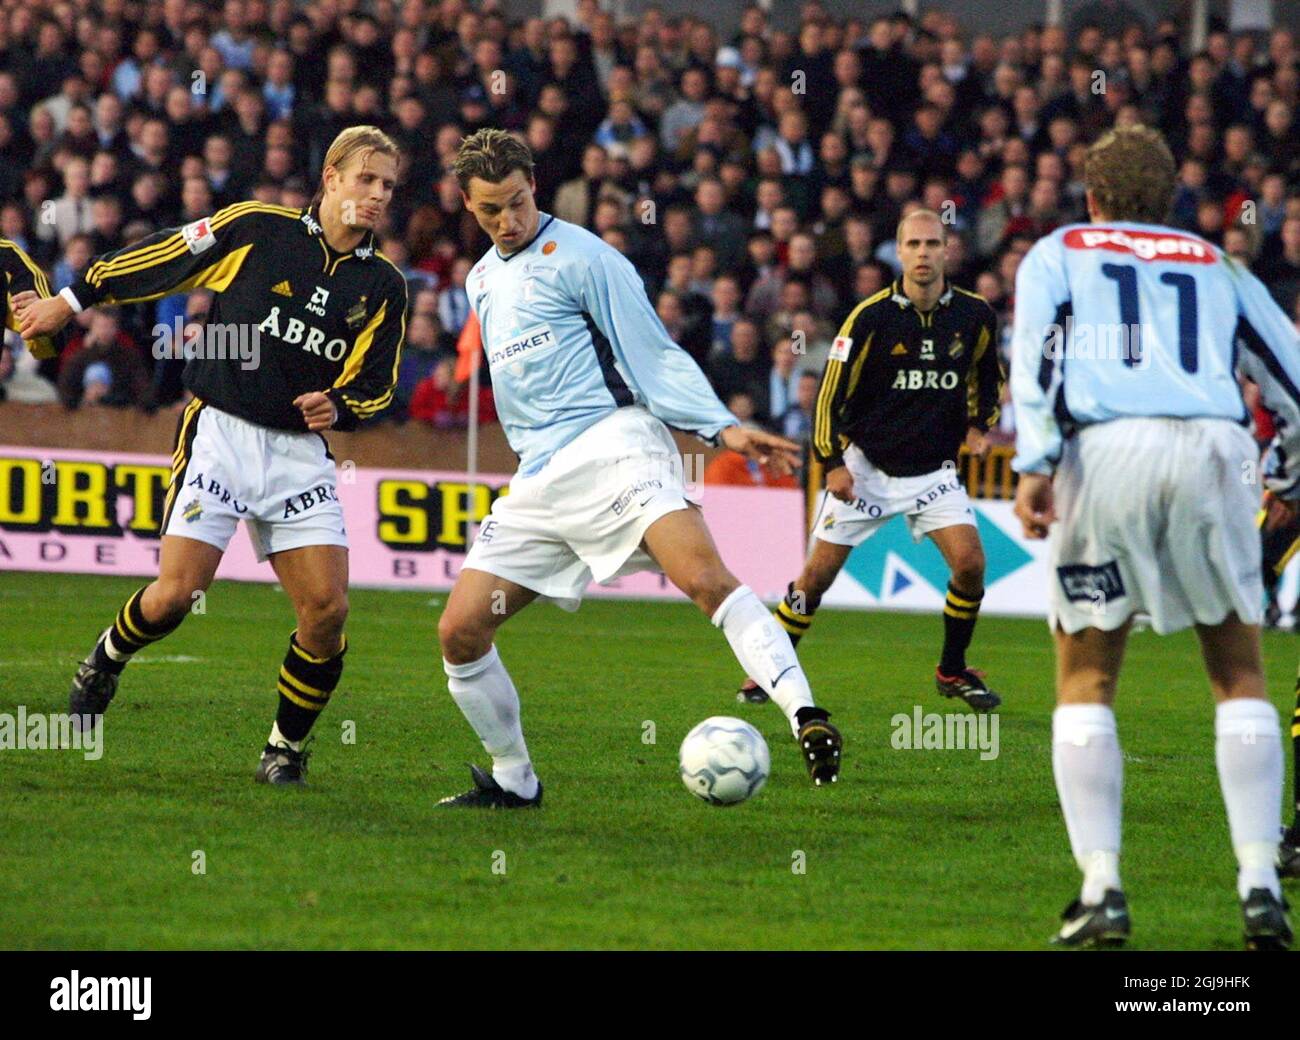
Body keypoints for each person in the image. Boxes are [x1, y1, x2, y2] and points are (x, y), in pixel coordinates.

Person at [435, 128, 841, 808]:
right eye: (488, 212)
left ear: (535, 186)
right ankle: (515, 779)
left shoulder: (589, 258)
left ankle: (806, 713)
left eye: (517, 203)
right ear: (468, 207)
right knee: (459, 630)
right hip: (540, 477)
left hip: (614, 444)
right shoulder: (480, 279)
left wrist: (722, 428)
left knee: (702, 578)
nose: (507, 222)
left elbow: (652, 354)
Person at [17, 125, 408, 787]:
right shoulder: (259, 227)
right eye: (365, 179)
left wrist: (339, 408)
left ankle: (282, 750)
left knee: (328, 609)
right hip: (221, 432)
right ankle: (107, 658)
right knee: (176, 596)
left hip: (299, 458)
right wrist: (72, 300)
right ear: (332, 176)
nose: (375, 195)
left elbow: (377, 384)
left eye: (388, 186)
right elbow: (166, 255)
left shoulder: (385, 287)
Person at [1010, 125, 1295, 950]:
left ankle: (1101, 888)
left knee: (1088, 678)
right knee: (1239, 672)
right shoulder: (1220, 264)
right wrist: (1290, 475)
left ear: (1091, 197)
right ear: (1172, 197)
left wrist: (1034, 462)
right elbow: (1293, 373)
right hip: (1213, 449)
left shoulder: (1059, 250)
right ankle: (1260, 884)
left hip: (1108, 454)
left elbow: (1033, 356)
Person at [735, 209, 1004, 712]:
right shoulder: (870, 317)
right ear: (898, 253)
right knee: (814, 579)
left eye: (932, 243)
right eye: (913, 245)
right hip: (866, 470)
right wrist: (833, 462)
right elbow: (829, 396)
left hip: (934, 473)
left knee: (970, 565)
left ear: (947, 250)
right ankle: (767, 668)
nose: (923, 253)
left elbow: (988, 377)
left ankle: (951, 670)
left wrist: (978, 425)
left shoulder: (975, 316)